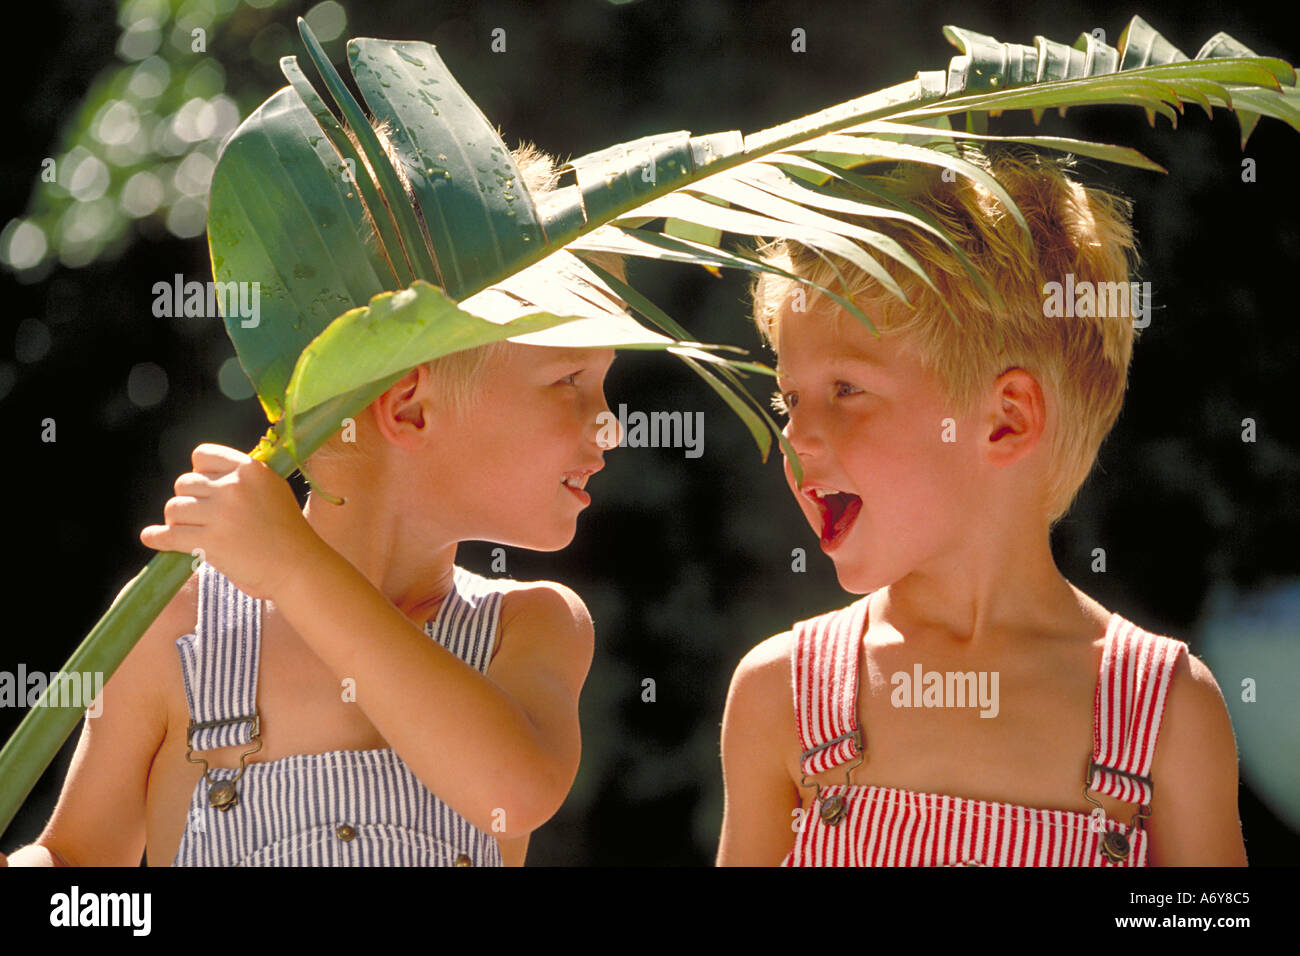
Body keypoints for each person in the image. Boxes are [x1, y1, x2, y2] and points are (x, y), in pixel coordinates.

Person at [2, 143, 635, 867]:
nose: (609, 425)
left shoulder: (529, 627)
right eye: (571, 383)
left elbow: (513, 790)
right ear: (413, 410)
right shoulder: (178, 627)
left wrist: (295, 568)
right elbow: (80, 868)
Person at [717, 145, 1247, 866]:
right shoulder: (780, 693)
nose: (795, 434)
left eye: (846, 389)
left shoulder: (1164, 711)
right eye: (790, 398)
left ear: (1005, 421)